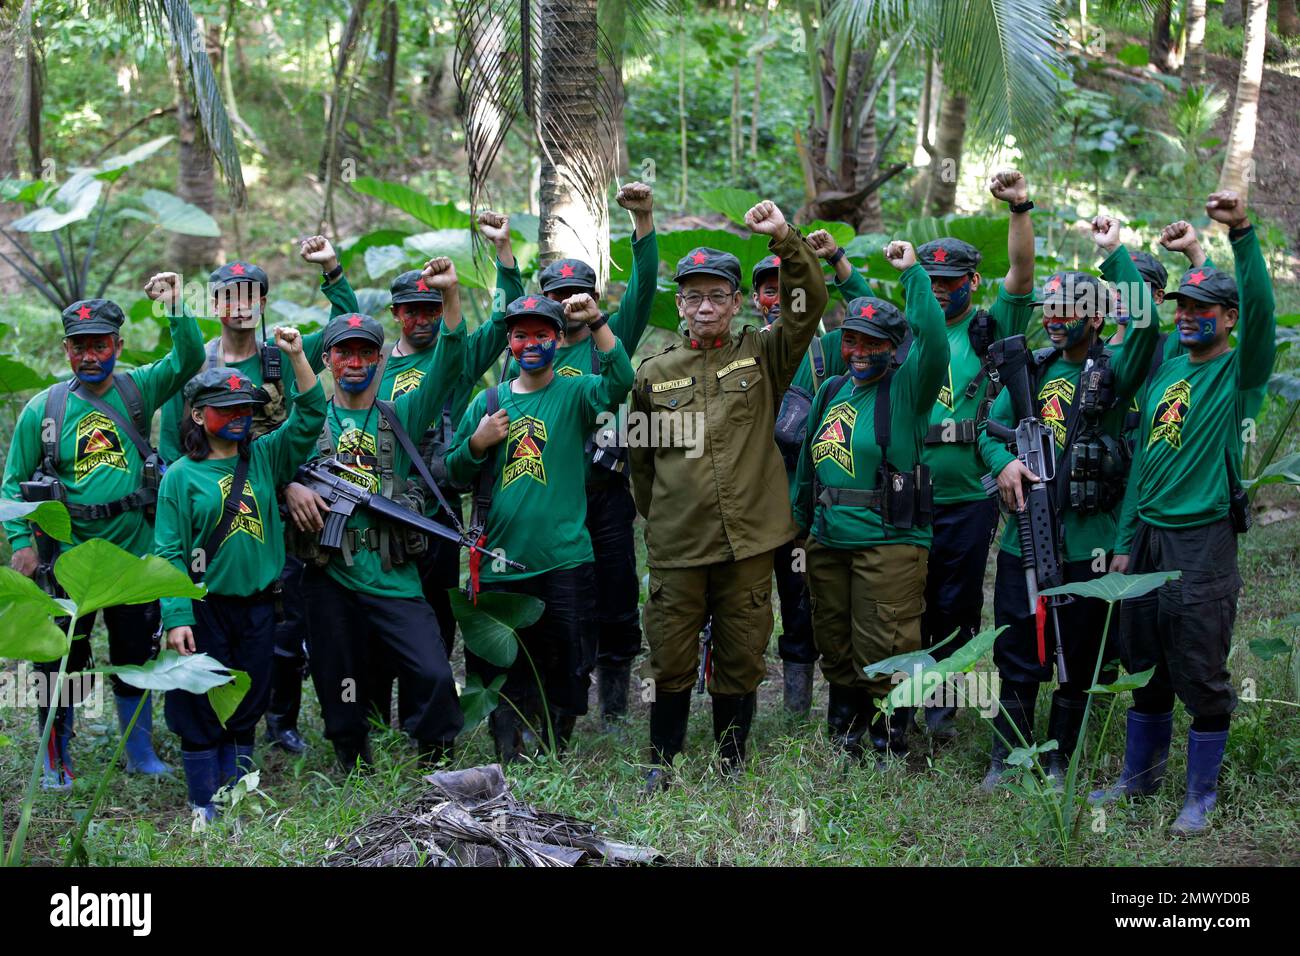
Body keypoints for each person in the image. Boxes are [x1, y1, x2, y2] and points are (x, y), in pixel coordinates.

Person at [630, 199, 828, 790]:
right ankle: (662, 762)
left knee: (743, 652)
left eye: (718, 295)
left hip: (749, 541)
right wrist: (666, 515)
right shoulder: (653, 373)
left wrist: (785, 241)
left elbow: (807, 305)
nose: (706, 306)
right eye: (694, 297)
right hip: (678, 542)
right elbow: (642, 466)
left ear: (736, 302)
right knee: (669, 654)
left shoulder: (762, 354)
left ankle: (730, 761)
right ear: (681, 306)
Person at [1095, 191, 1276, 835]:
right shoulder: (1168, 367)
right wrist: (1123, 540)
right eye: (1185, 307)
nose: (1192, 316)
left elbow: (1262, 307)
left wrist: (1242, 234)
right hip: (1145, 537)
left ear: (1228, 318)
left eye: (1205, 309)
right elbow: (1144, 461)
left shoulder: (1239, 375)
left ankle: (1199, 794)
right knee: (1142, 662)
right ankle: (1137, 780)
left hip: (1201, 542)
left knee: (1198, 665)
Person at [158, 239, 360, 755]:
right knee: (219, 621)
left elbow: (348, 328)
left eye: (252, 295)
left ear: (263, 303)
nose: (242, 305)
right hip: (219, 516)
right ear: (218, 305)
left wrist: (331, 270)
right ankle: (212, 731)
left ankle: (280, 719)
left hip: (284, 510)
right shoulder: (196, 365)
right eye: (231, 296)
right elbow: (175, 450)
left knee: (282, 620)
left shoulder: (283, 354)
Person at [977, 216, 1159, 790]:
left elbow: (1149, 328)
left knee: (1076, 655)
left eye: (1068, 311)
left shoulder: (1112, 373)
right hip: (1022, 537)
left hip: (1088, 540)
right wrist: (1003, 462)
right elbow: (987, 427)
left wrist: (1114, 254)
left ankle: (1060, 760)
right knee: (1016, 648)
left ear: (1097, 316)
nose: (1055, 322)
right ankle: (1007, 755)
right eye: (1050, 312)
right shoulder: (1027, 370)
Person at [2, 274, 203, 788]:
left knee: (134, 656)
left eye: (100, 345)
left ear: (118, 344)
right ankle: (56, 758)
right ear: (66, 348)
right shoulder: (42, 410)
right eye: (79, 347)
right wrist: (23, 545)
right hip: (66, 556)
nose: (90, 356)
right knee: (61, 661)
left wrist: (175, 305)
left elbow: (189, 359)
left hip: (133, 556)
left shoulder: (140, 387)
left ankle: (139, 750)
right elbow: (12, 485)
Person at [281, 257, 467, 771]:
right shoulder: (308, 420)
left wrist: (449, 295)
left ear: (379, 359)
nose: (356, 362)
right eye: (345, 353)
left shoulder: (402, 414)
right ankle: (351, 757)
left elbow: (451, 357)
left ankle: (435, 757)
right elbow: (262, 468)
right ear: (329, 359)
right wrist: (293, 486)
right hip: (329, 573)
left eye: (366, 353)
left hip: (392, 573)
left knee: (430, 669)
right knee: (338, 675)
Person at [445, 292, 634, 761]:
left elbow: (619, 381)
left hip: (564, 558)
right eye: (521, 335)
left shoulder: (574, 393)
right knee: (500, 664)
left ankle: (554, 747)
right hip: (498, 560)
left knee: (566, 659)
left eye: (542, 335)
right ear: (509, 342)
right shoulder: (488, 403)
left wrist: (597, 322)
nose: (532, 343)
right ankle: (508, 747)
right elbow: (452, 472)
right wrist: (477, 441)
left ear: (557, 338)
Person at [499, 182, 658, 728]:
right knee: (555, 603)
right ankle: (556, 698)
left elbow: (644, 288)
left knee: (614, 599)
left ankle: (612, 708)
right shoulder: (524, 349)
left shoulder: (603, 339)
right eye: (558, 294)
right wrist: (503, 257)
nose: (567, 302)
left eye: (577, 293)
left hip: (602, 494)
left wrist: (642, 224)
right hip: (544, 502)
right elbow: (506, 307)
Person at [153, 328, 324, 819]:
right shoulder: (181, 476)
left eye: (245, 409)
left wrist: (295, 356)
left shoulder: (266, 456)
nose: (237, 417)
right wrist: (176, 615)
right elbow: (168, 551)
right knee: (199, 701)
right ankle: (202, 803)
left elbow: (310, 414)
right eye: (225, 409)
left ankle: (238, 794)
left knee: (247, 697)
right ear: (198, 415)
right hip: (206, 607)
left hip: (259, 605)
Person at [791, 240, 949, 763]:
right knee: (834, 640)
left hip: (890, 543)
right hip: (829, 539)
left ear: (892, 347)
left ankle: (889, 744)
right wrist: (801, 525)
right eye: (852, 340)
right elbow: (806, 468)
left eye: (872, 343)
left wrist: (913, 276)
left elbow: (934, 341)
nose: (860, 351)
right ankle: (846, 736)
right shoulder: (831, 388)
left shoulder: (907, 389)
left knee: (885, 643)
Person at [365, 211, 521, 731]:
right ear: (396, 314)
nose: (423, 319)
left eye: (431, 309)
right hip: (381, 511)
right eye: (411, 311)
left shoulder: (456, 359)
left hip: (437, 509)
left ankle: (424, 713)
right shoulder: (376, 369)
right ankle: (373, 715)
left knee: (434, 616)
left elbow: (502, 325)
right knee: (378, 613)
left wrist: (503, 256)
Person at [913, 168, 1038, 741]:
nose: (940, 289)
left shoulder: (991, 326)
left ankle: (941, 709)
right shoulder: (910, 330)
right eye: (931, 279)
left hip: (968, 494)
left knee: (955, 601)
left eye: (951, 279)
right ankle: (900, 702)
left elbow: (1021, 272)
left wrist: (1018, 209)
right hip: (908, 491)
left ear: (971, 279)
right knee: (904, 597)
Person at [764, 229, 876, 716]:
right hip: (747, 506)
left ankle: (799, 709)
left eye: (787, 289)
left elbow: (883, 327)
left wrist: (842, 263)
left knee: (802, 605)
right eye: (769, 289)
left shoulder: (827, 352)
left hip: (801, 507)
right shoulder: (740, 349)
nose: (778, 299)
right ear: (754, 298)